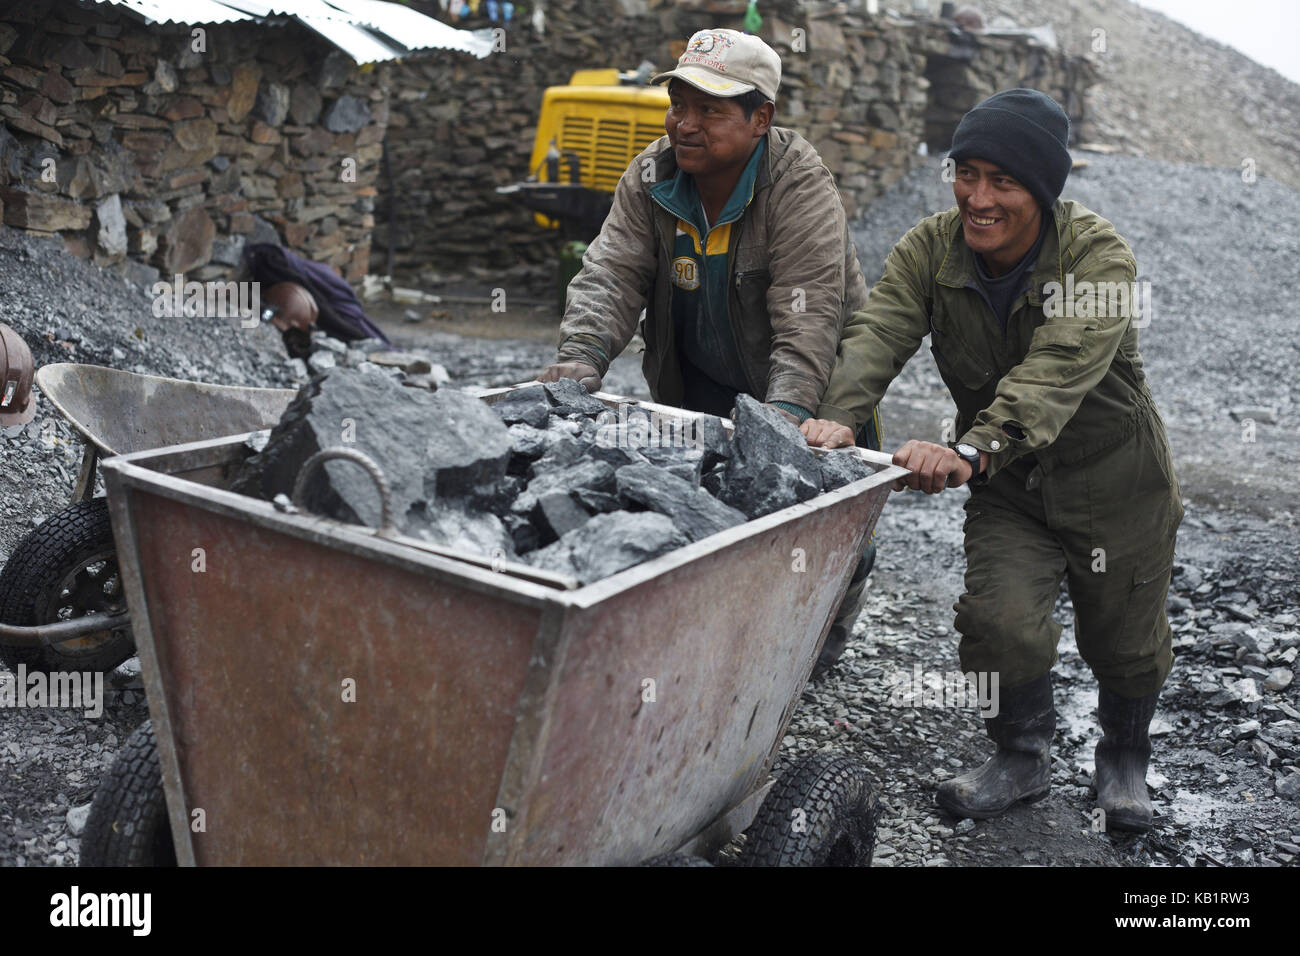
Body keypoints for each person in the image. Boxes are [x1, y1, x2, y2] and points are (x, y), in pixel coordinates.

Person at [800, 89, 1182, 832]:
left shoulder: (1097, 257)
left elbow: (1059, 366)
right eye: (965, 172)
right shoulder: (929, 247)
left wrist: (971, 448)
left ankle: (1125, 759)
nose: (978, 197)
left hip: (1116, 481)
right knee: (997, 622)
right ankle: (1020, 754)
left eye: (1002, 181)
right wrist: (838, 418)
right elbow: (879, 330)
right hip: (1011, 488)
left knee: (1125, 638)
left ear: (1040, 189)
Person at [538, 28, 882, 676]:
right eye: (678, 103)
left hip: (812, 383)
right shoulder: (652, 173)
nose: (684, 124)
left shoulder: (799, 182)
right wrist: (582, 356)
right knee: (703, 502)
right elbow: (612, 273)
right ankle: (722, 638)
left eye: (709, 110)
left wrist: (785, 412)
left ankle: (826, 624)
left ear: (761, 118)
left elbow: (808, 314)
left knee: (830, 520)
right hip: (699, 373)